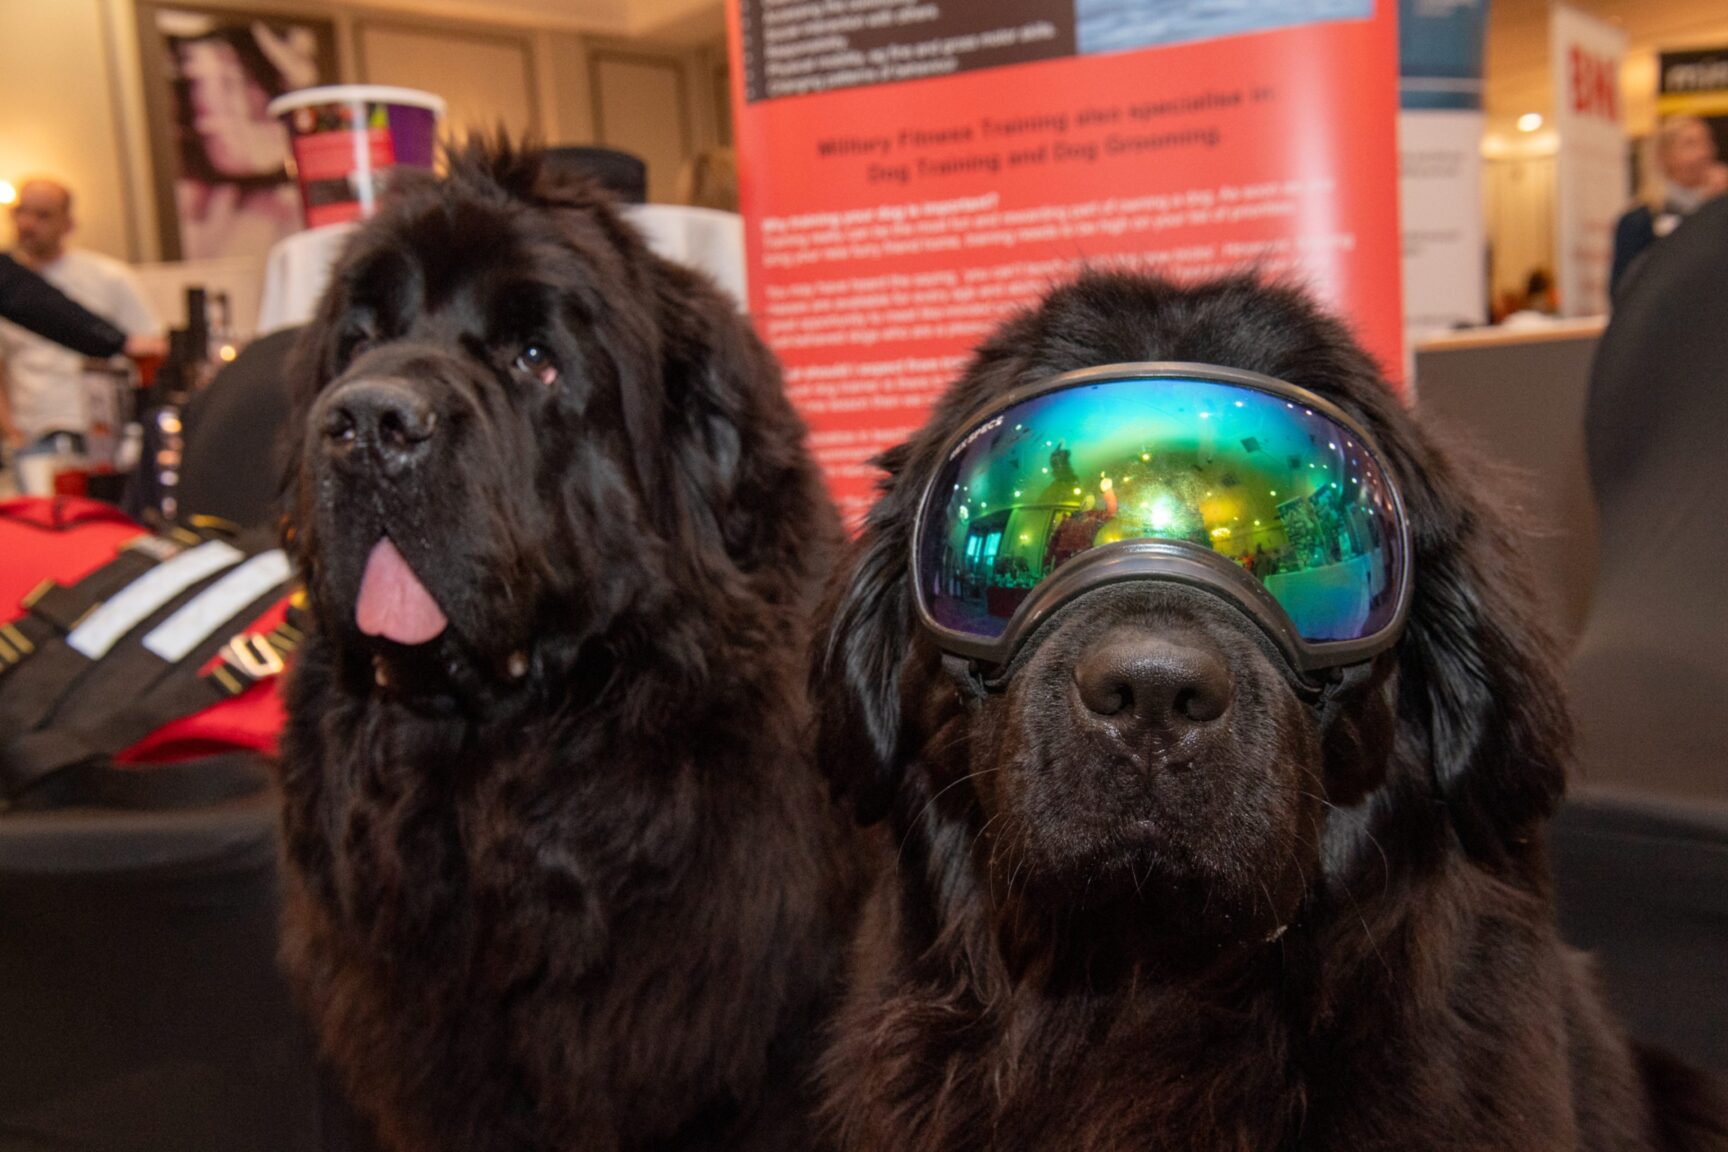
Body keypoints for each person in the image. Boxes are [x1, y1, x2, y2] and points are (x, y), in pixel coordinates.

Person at [0, 178, 162, 450]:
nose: (28, 224)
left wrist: (122, 343)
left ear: (68, 223)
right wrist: (11, 432)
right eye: (21, 212)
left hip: (99, 430)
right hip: (32, 431)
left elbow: (148, 347)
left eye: (42, 215)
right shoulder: (14, 282)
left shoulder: (108, 276)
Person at [1609, 115, 1728, 298]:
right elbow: (1625, 291)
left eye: (1707, 142)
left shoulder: (1720, 211)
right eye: (1690, 144)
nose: (1704, 153)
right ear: (1664, 157)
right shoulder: (1639, 221)